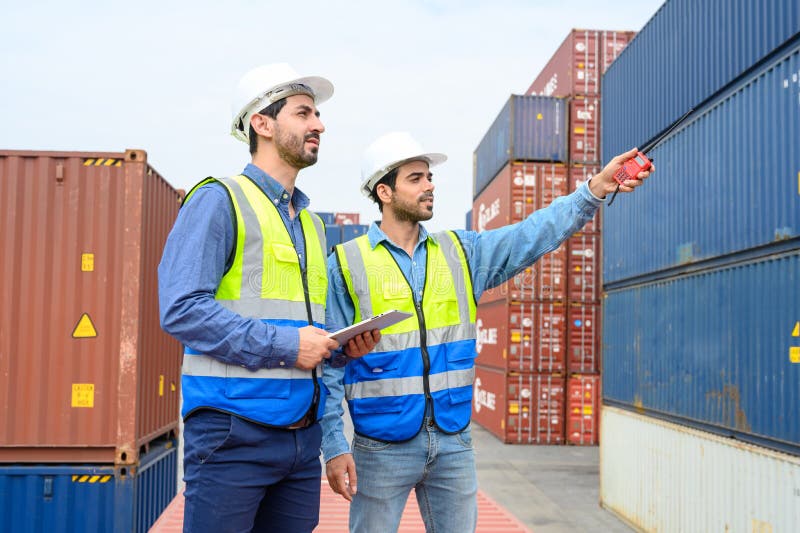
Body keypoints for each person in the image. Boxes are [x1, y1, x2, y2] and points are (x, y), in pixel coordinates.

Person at [321, 131, 653, 533]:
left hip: (453, 443)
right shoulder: (346, 263)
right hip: (380, 447)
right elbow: (327, 366)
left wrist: (595, 188)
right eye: (416, 178)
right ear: (384, 192)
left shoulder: (462, 252)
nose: (430, 185)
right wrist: (334, 445)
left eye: (429, 177)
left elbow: (532, 234)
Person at [157, 63, 378, 533]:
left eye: (317, 114)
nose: (319, 125)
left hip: (301, 440)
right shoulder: (219, 200)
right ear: (262, 123)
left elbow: (302, 328)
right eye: (303, 113)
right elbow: (181, 308)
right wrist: (289, 346)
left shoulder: (312, 225)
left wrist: (340, 348)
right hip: (232, 434)